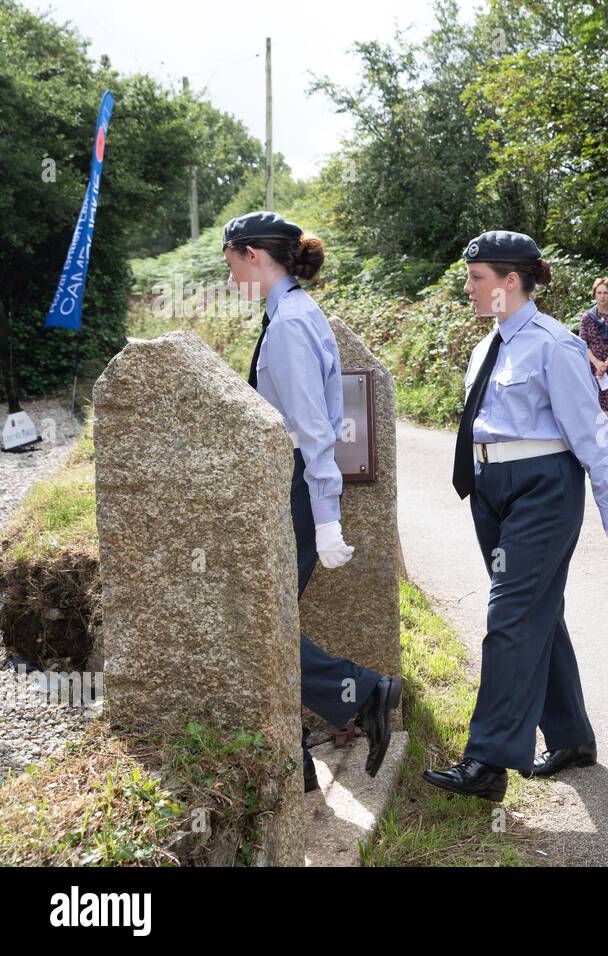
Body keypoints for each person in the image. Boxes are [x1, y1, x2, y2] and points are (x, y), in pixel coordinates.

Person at [424, 230, 608, 802]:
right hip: (491, 488)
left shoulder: (553, 344)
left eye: (476, 278)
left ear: (509, 281)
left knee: (509, 617)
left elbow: (590, 429)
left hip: (542, 489)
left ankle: (488, 760)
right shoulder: (484, 347)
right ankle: (570, 737)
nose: (468, 288)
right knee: (536, 609)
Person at [222, 211, 402, 793]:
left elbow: (314, 432)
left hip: (299, 486)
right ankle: (306, 752)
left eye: (231, 266)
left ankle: (364, 691)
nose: (230, 281)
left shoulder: (293, 323)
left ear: (254, 255)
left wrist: (325, 518)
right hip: (292, 485)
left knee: (260, 622)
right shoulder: (290, 315)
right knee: (264, 619)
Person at [579, 276, 608, 431]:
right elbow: (583, 343)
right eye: (599, 293)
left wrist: (605, 364)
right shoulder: (587, 318)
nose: (602, 296)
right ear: (594, 295)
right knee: (594, 401)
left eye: (605, 293)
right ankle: (595, 436)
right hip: (593, 367)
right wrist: (597, 363)